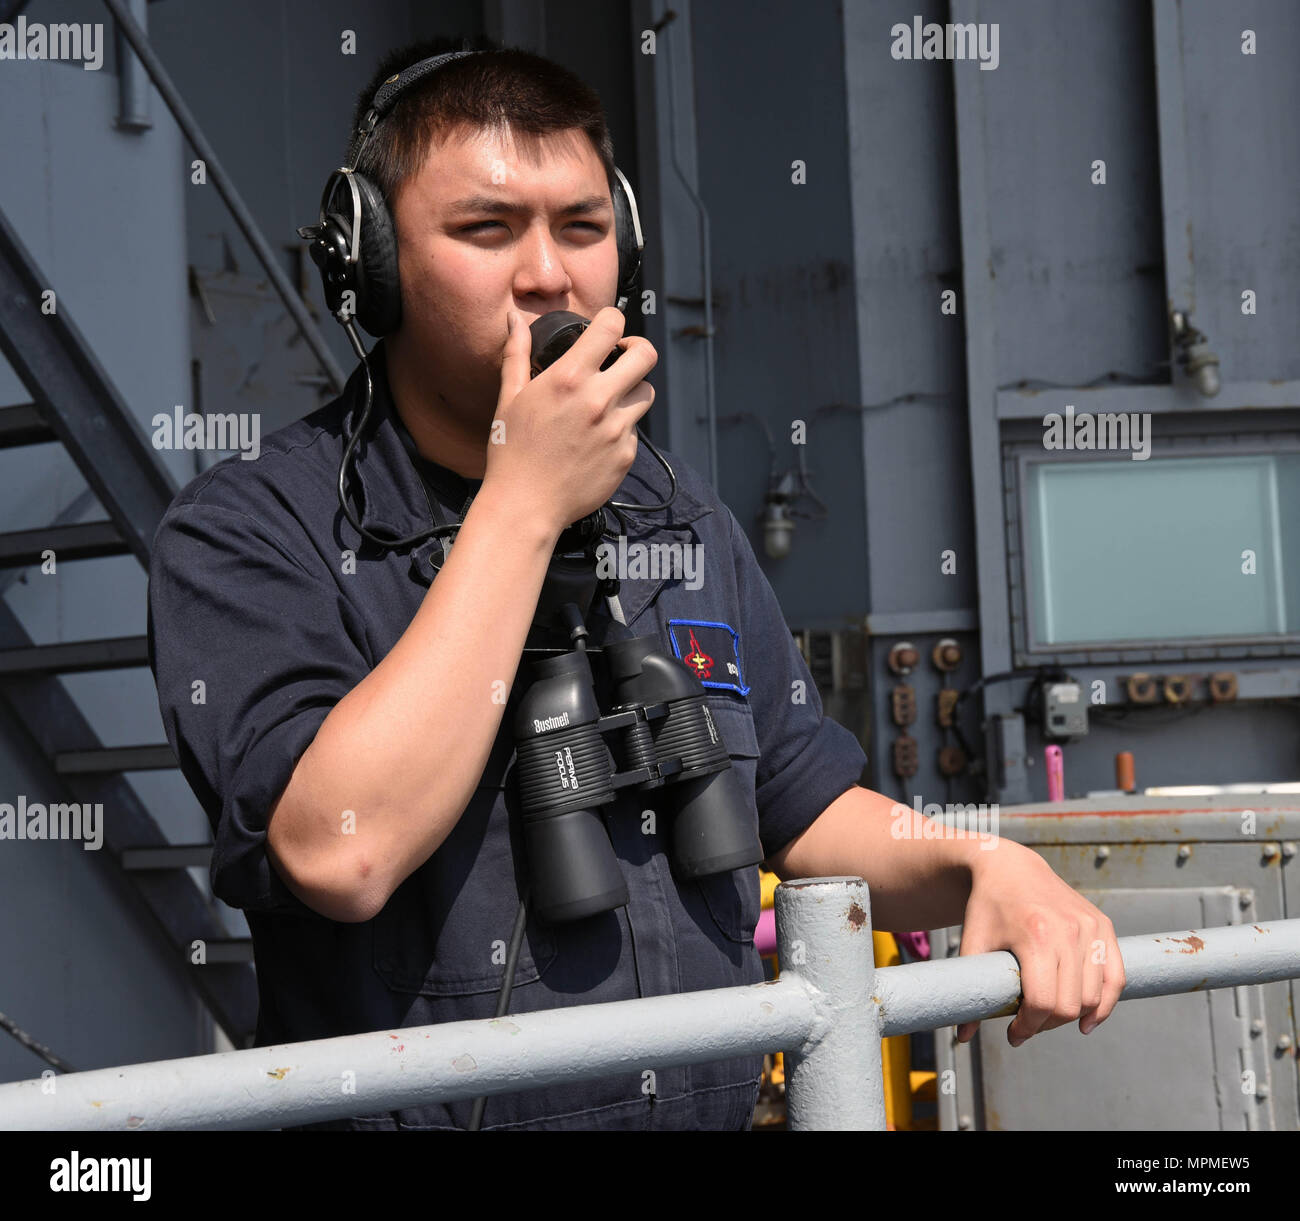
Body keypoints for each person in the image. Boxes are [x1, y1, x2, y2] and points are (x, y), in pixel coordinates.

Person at [147, 37, 1125, 1131]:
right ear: (371, 265)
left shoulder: (681, 516)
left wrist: (977, 863)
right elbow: (340, 848)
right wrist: (524, 504)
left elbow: (800, 807)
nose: (548, 275)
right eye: (485, 229)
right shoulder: (248, 531)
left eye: (581, 227)